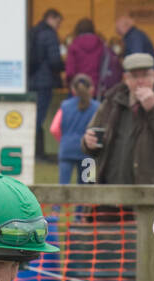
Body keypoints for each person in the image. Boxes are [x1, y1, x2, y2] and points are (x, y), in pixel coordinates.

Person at [82, 53, 154, 185]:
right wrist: (88, 142)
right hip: (109, 196)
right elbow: (90, 139)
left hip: (150, 197)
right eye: (134, 76)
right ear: (125, 79)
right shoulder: (111, 103)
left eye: (145, 75)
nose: (140, 81)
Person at [29, 8, 65, 160]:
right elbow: (55, 60)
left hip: (31, 80)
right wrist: (63, 67)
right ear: (51, 18)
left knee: (32, 117)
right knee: (39, 118)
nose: (58, 26)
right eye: (58, 22)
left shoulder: (33, 32)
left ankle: (33, 151)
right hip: (44, 81)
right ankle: (35, 153)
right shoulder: (49, 35)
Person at [55, 74, 100, 184]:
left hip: (67, 149)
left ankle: (61, 202)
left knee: (63, 187)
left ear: (73, 90)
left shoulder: (64, 105)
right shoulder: (98, 107)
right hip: (88, 152)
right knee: (87, 189)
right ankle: (81, 202)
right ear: (91, 89)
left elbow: (54, 128)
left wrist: (64, 140)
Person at [64, 18, 108, 92]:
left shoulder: (73, 46)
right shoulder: (101, 45)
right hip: (96, 88)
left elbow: (70, 72)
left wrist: (70, 85)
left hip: (78, 88)